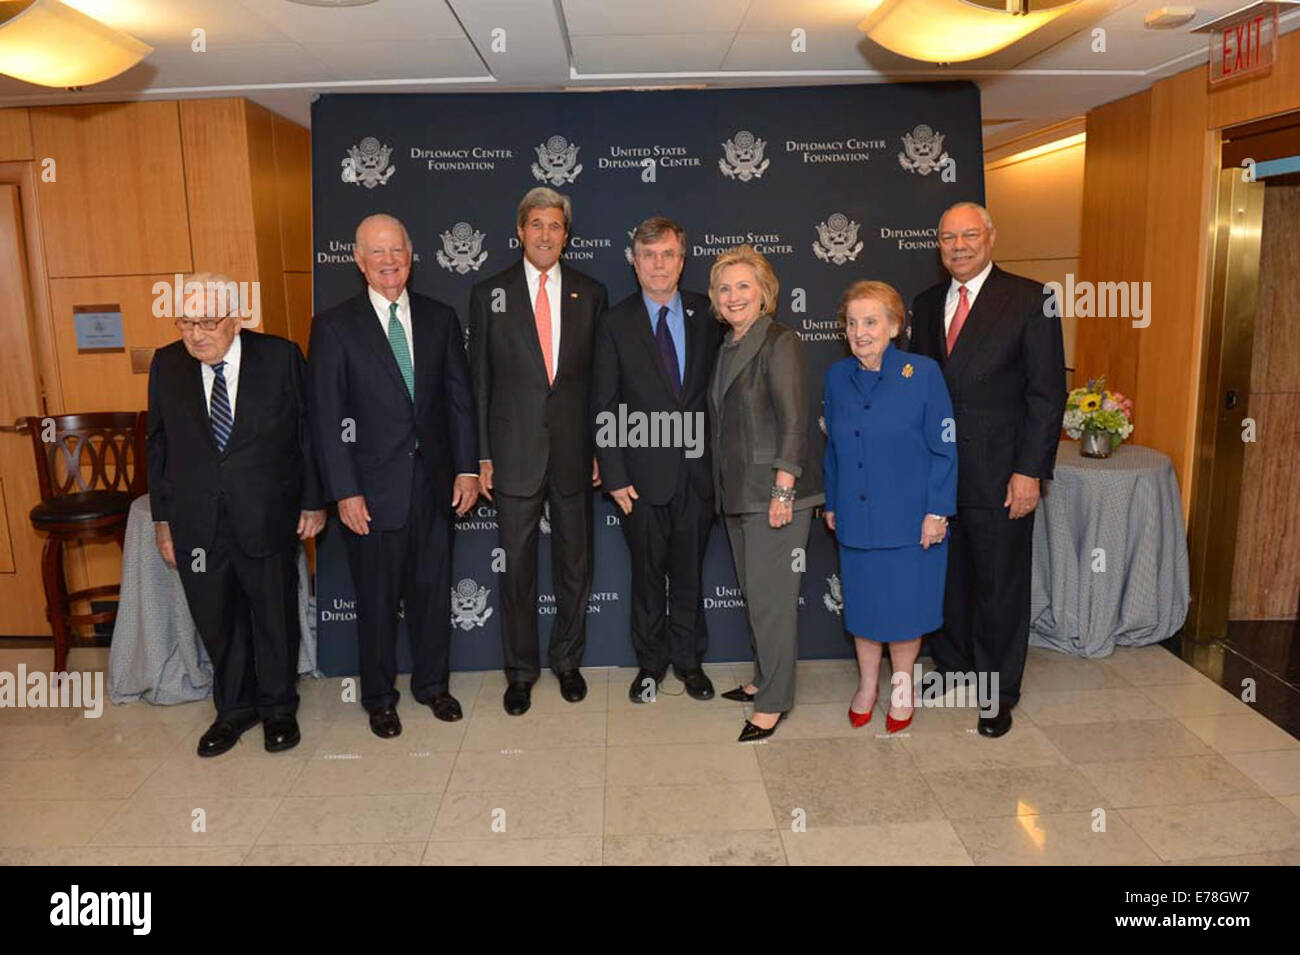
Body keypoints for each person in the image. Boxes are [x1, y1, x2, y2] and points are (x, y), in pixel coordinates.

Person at [309, 214, 479, 740]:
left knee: (432, 594)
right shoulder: (334, 326)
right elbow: (325, 417)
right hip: (370, 494)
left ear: (411, 255)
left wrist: (468, 468)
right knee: (377, 603)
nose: (389, 262)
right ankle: (380, 698)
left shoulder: (439, 317)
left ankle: (433, 686)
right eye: (377, 253)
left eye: (397, 251)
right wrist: (344, 491)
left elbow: (459, 402)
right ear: (359, 261)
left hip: (434, 486)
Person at [147, 272, 324, 757]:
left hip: (266, 512)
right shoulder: (167, 365)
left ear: (237, 318)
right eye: (186, 322)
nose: (195, 334)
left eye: (207, 321)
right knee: (217, 618)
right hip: (196, 521)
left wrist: (313, 500)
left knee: (273, 613)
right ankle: (233, 709)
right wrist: (163, 521)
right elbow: (157, 444)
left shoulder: (281, 356)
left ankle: (279, 708)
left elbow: (308, 434)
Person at [907, 201, 1066, 737]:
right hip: (941, 473)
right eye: (948, 237)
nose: (958, 245)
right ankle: (953, 667)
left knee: (999, 583)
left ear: (991, 237)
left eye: (969, 235)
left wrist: (1029, 471)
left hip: (1002, 474)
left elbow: (1047, 395)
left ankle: (998, 691)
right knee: (949, 580)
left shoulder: (1031, 299)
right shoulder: (926, 304)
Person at [468, 188, 609, 715]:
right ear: (520, 231)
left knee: (575, 567)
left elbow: (599, 382)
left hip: (574, 453)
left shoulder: (591, 294)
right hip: (512, 456)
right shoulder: (490, 294)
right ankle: (520, 672)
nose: (545, 234)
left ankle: (567, 662)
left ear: (566, 235)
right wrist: (482, 455)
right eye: (536, 225)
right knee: (518, 572)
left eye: (555, 226)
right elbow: (478, 382)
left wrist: (602, 447)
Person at [592, 216, 723, 703]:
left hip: (697, 473)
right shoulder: (615, 321)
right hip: (639, 481)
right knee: (647, 577)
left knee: (689, 573)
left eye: (668, 254)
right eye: (648, 256)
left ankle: (690, 663)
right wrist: (615, 475)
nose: (659, 264)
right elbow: (602, 404)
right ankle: (650, 665)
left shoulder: (708, 314)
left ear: (682, 259)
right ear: (635, 262)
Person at [823, 281, 956, 733]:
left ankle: (901, 687)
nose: (860, 332)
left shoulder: (923, 374)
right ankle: (866, 686)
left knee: (903, 610)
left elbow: (945, 447)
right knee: (862, 610)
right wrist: (832, 498)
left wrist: (937, 512)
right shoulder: (837, 378)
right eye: (852, 323)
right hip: (855, 515)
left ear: (895, 326)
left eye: (871, 321)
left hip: (909, 518)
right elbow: (834, 448)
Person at [708, 245, 823, 742]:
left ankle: (773, 702)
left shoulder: (779, 341)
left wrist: (783, 489)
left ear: (764, 293)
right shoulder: (729, 344)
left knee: (773, 601)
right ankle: (764, 678)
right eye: (724, 288)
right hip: (737, 492)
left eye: (743, 287)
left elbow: (795, 420)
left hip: (775, 495)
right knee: (759, 597)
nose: (733, 296)